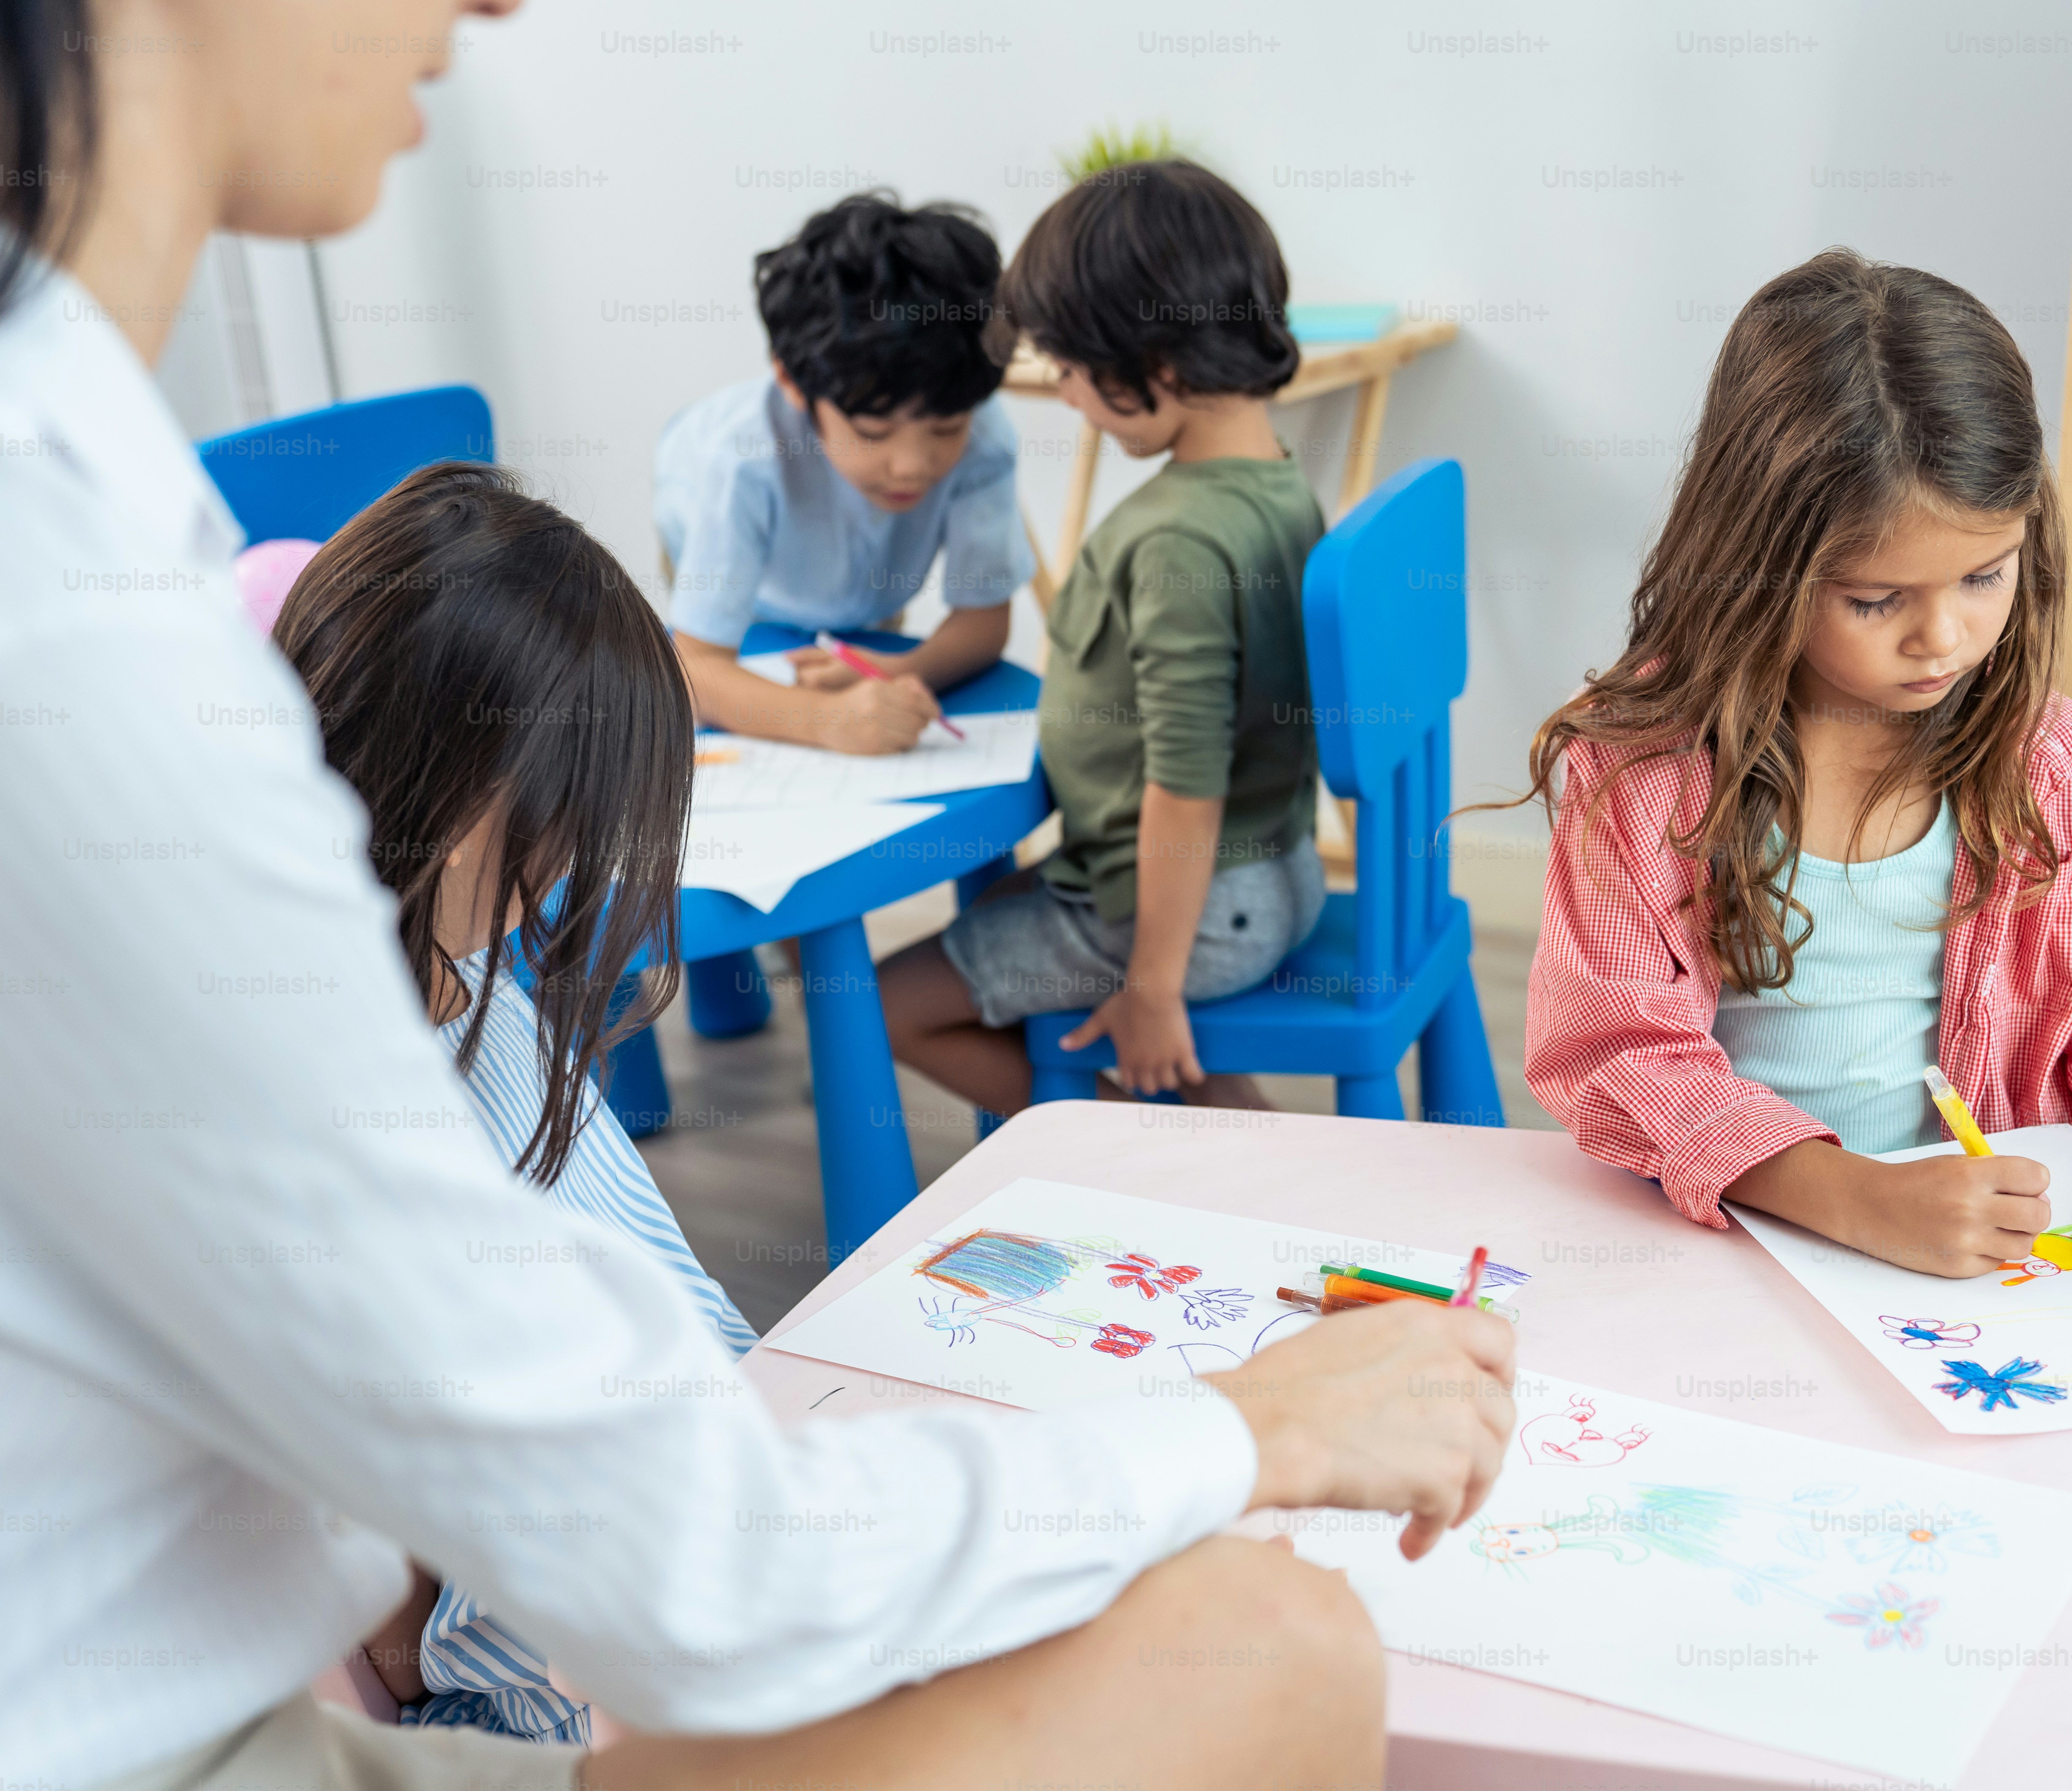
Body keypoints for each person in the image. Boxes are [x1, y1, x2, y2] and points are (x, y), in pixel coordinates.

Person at [0, 8, 1512, 1791]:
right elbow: (685, 1570)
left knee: (1226, 1632)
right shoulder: (84, 649)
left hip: (370, 1641)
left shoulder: (108, 540)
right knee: (1261, 1650)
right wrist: (1239, 1431)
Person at [1521, 250, 2072, 1319]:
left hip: (1972, 1276)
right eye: (1875, 598)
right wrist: (1845, 1194)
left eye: (1983, 577)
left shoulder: (2047, 776)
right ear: (1756, 559)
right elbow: (1613, 1047)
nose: (1941, 638)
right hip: (1724, 1245)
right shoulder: (1645, 780)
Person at [272, 462, 760, 1738]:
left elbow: (672, 1304)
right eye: (565, 819)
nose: (572, 861)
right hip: (585, 1702)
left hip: (700, 1554)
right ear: (447, 781)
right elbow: (411, 1612)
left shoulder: (477, 981)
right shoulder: (315, 1122)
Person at [875, 160, 1324, 1111]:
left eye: (1073, 372)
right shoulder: (1277, 483)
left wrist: (1152, 988)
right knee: (1001, 921)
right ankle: (1244, 1156)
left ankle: (1133, 1166)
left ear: (1154, 367)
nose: (1069, 399)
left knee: (880, 1005)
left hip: (1192, 915)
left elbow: (1186, 784)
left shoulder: (1177, 538)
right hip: (1273, 872)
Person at [657, 192, 1028, 755]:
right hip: (745, 576)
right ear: (793, 384)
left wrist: (903, 671)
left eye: (946, 427)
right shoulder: (738, 461)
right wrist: (826, 720)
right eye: (875, 430)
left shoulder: (985, 435)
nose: (913, 464)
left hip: (860, 587)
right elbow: (696, 667)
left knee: (862, 644)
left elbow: (984, 621)